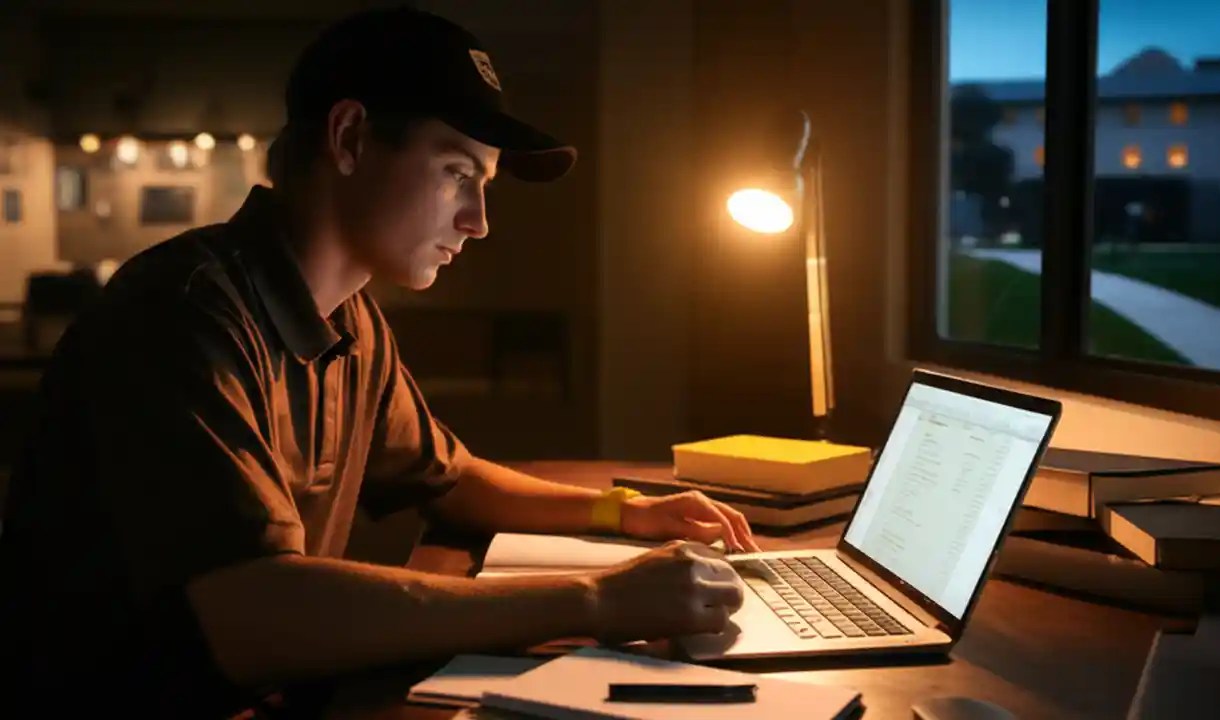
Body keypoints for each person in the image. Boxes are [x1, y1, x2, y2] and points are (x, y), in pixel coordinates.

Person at [0, 7, 757, 717]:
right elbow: (252, 609)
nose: (479, 221)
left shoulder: (347, 316)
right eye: (458, 173)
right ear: (351, 138)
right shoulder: (182, 313)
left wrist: (626, 513)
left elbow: (451, 479)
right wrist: (596, 599)